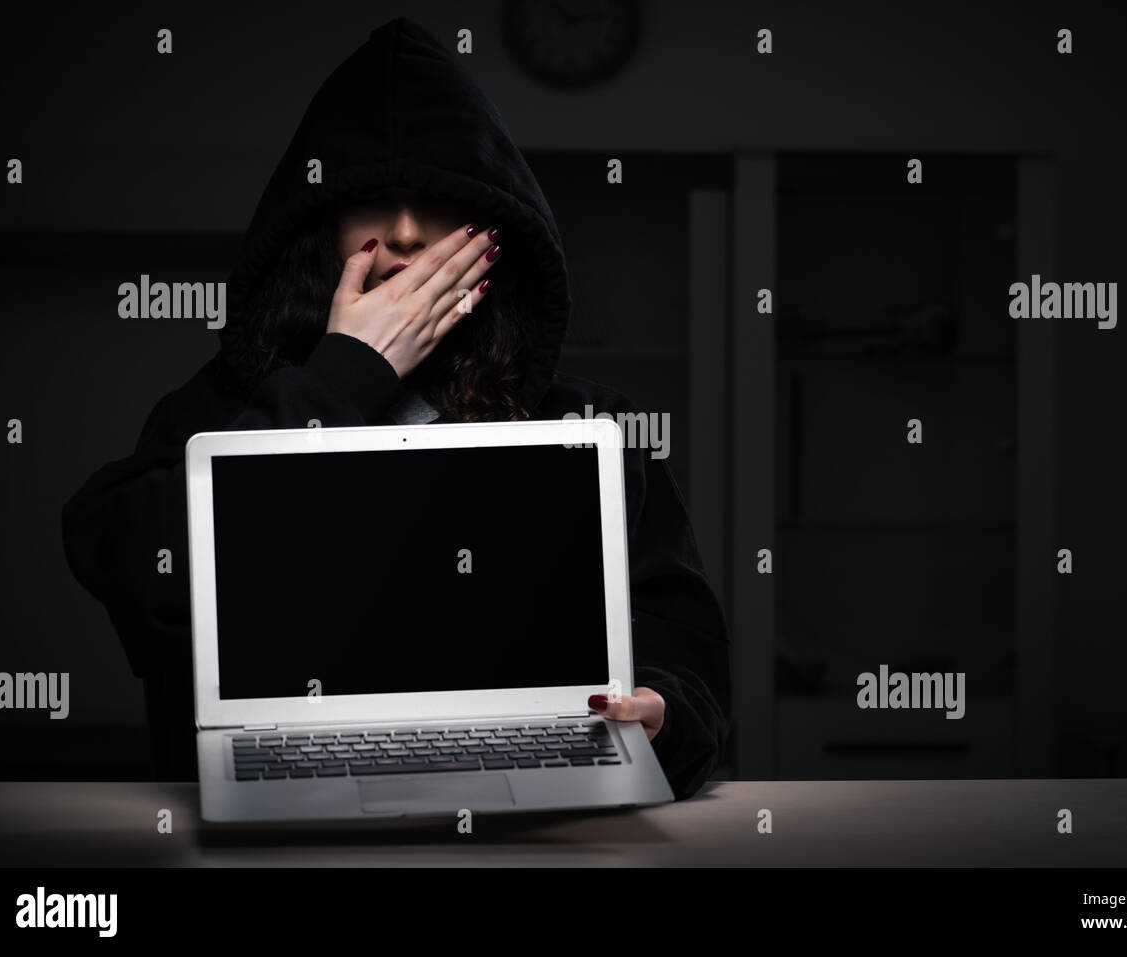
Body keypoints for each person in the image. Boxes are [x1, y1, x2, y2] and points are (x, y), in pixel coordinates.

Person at [60, 17, 730, 801]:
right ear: (324, 229)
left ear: (494, 234)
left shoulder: (587, 425)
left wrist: (663, 714)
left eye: (442, 203)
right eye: (374, 200)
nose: (408, 233)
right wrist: (346, 377)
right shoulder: (219, 409)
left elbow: (684, 661)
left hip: (536, 834)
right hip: (275, 819)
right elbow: (139, 573)